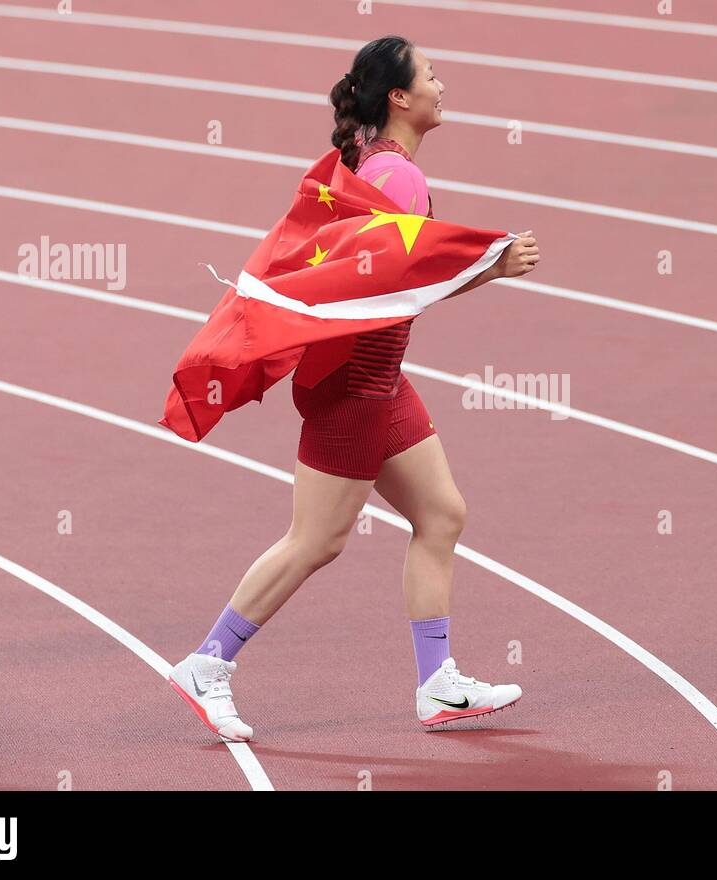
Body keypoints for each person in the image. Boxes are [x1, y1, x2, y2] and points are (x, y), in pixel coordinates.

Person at [168, 35, 541, 740]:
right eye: (431, 75)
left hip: (378, 379)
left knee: (442, 515)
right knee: (315, 540)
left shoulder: (372, 168)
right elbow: (397, 283)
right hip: (354, 386)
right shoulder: (396, 179)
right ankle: (206, 664)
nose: (442, 84)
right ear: (400, 97)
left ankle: (437, 685)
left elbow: (385, 286)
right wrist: (490, 268)